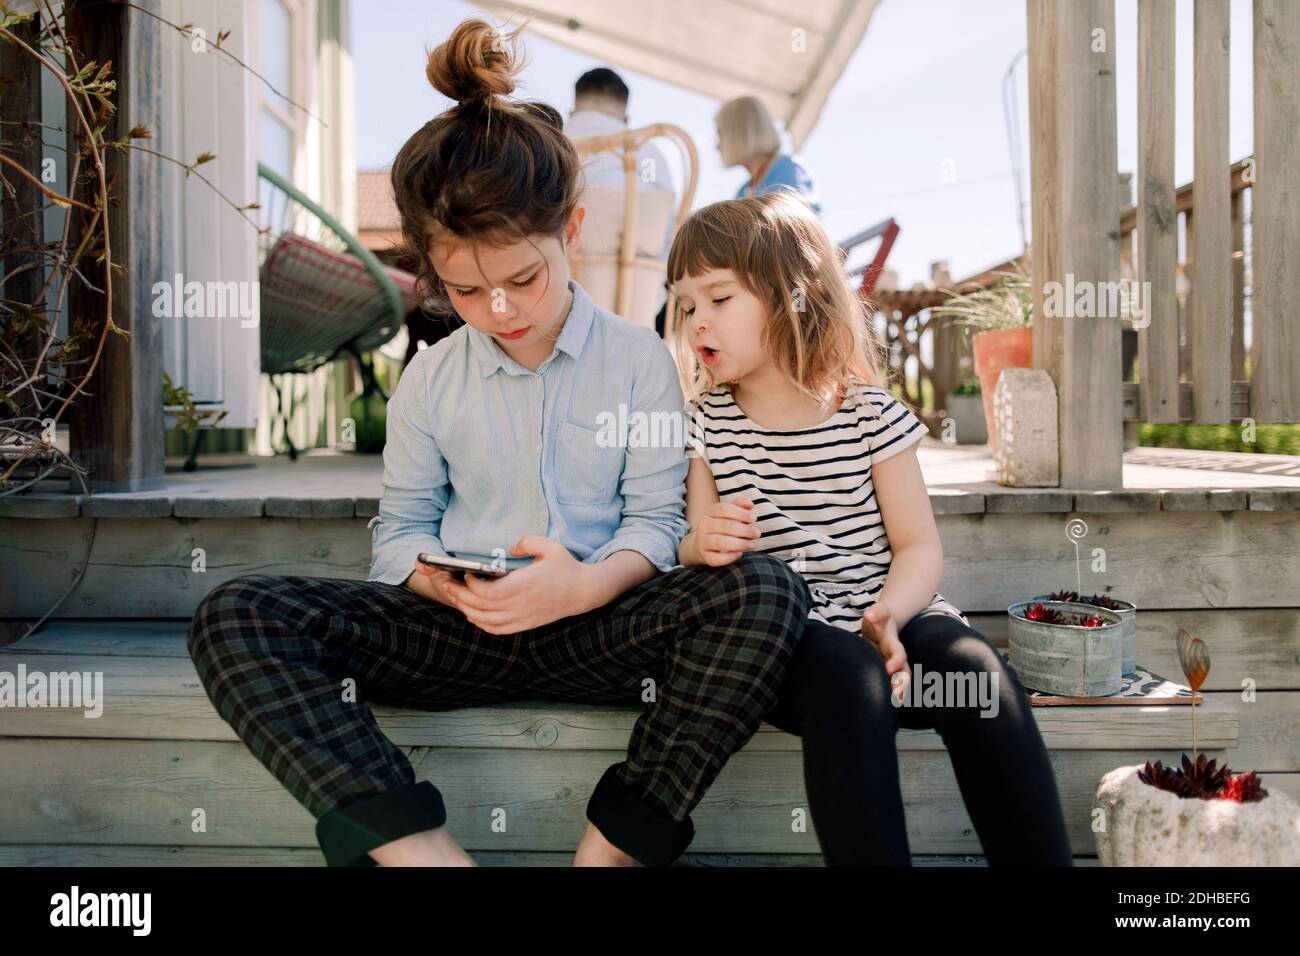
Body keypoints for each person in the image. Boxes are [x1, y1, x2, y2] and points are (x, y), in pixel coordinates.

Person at [186, 19, 811, 868]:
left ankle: (612, 853)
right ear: (435, 274)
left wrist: (582, 587)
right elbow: (400, 530)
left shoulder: (638, 360)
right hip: (461, 634)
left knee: (764, 592)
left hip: (605, 628)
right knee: (237, 614)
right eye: (467, 290)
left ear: (573, 232)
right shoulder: (430, 378)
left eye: (524, 278)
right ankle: (423, 856)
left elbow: (659, 524)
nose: (502, 309)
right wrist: (438, 581)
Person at [669, 191, 1073, 865]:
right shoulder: (707, 424)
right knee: (848, 674)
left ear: (791, 297)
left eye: (718, 299)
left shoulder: (867, 415)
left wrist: (891, 612)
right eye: (685, 305)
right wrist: (702, 543)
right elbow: (690, 540)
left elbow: (918, 544)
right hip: (794, 651)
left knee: (979, 672)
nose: (696, 322)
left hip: (894, 618)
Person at [565, 67, 676, 321]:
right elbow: (669, 245)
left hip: (556, 312)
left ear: (573, 111)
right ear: (626, 119)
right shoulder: (651, 155)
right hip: (636, 315)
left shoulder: (546, 143)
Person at [715, 95, 821, 216]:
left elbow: (799, 225)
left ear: (740, 135)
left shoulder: (787, 168)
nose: (717, 146)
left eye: (720, 136)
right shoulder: (742, 192)